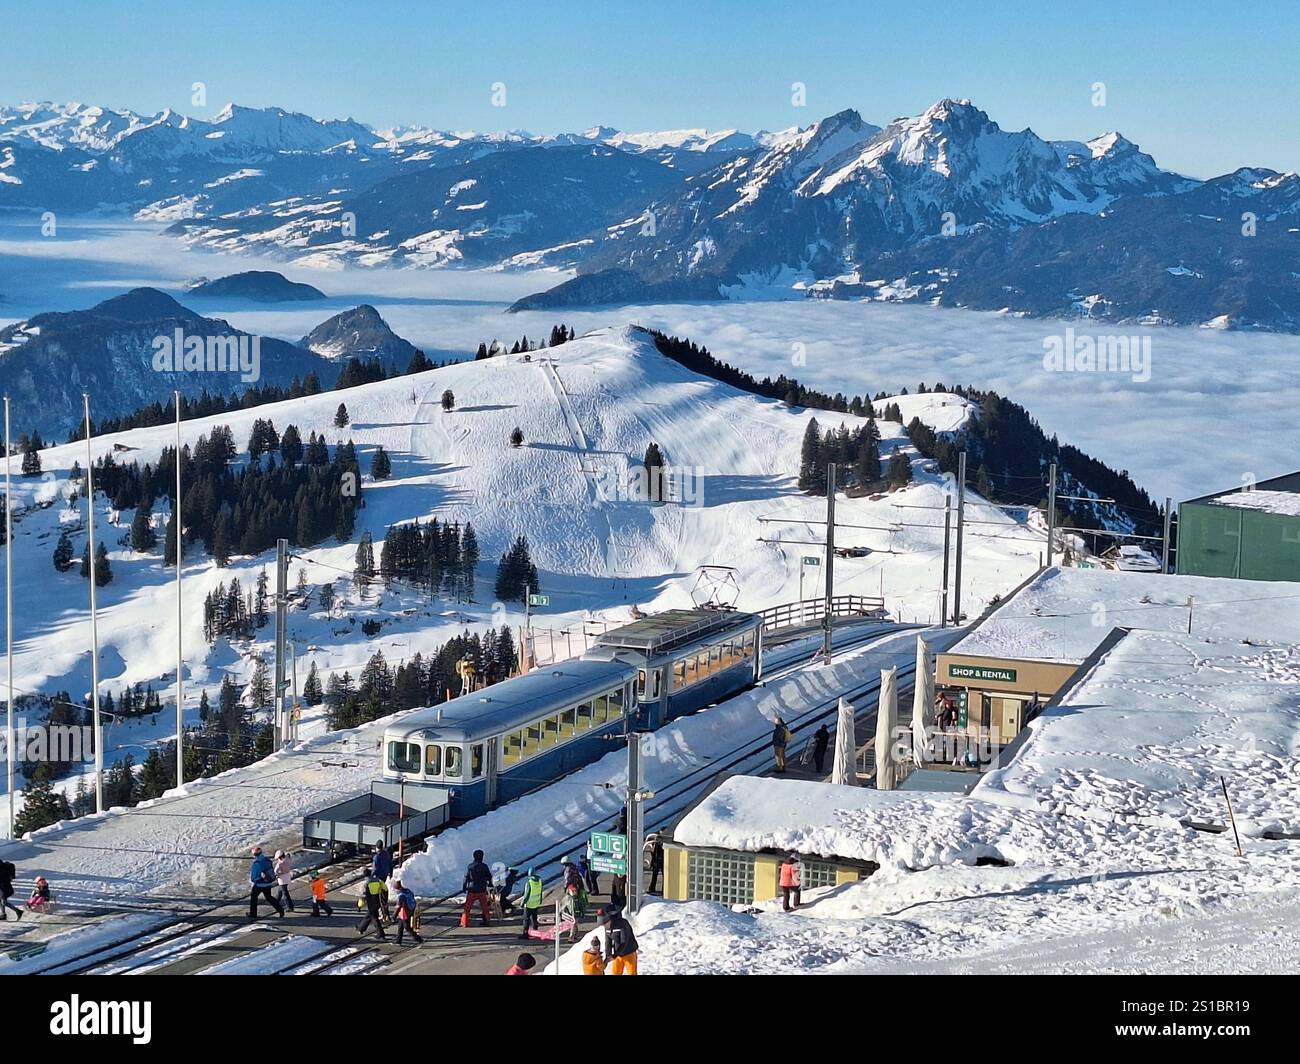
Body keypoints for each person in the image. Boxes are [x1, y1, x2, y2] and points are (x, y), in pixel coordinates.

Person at [248, 845, 285, 919]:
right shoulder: (267, 860)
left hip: (259, 884)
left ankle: (253, 914)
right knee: (269, 897)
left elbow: (254, 877)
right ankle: (280, 910)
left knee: (253, 897)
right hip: (268, 883)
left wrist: (254, 880)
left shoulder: (256, 863)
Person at [600, 906, 639, 975]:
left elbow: (624, 942)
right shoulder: (607, 928)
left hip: (629, 952)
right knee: (616, 972)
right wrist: (608, 955)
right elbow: (608, 942)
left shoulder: (622, 924)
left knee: (632, 973)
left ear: (610, 921)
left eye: (605, 924)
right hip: (618, 953)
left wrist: (615, 955)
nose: (604, 927)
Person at [461, 848, 494, 927]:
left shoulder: (470, 867)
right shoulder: (484, 866)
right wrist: (490, 884)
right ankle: (487, 921)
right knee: (485, 907)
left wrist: (464, 886)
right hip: (482, 889)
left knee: (467, 907)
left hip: (472, 889)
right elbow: (489, 876)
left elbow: (466, 877)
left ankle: (464, 922)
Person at [357, 869, 388, 940]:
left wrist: (360, 905)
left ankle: (381, 934)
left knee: (374, 918)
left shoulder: (366, 884)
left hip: (370, 901)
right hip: (378, 900)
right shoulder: (378, 880)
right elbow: (385, 889)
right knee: (369, 915)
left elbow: (363, 896)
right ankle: (361, 928)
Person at [393, 879, 422, 946]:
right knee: (400, 926)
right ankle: (398, 941)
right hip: (410, 910)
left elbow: (398, 907)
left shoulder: (401, 896)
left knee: (407, 927)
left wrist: (394, 916)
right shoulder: (407, 891)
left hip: (405, 913)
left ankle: (418, 939)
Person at [518, 867, 544, 938]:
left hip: (529, 904)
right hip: (536, 903)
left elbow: (526, 895)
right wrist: (540, 901)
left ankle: (525, 934)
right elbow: (540, 892)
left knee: (526, 919)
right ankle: (535, 932)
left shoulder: (529, 883)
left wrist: (522, 903)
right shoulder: (539, 881)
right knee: (534, 918)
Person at [371, 844, 393, 918]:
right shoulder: (386, 854)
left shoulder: (377, 856)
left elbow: (375, 868)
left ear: (377, 848)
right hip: (385, 875)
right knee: (383, 895)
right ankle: (385, 913)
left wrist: (371, 876)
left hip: (378, 877)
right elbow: (390, 863)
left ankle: (383, 913)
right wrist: (391, 873)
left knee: (379, 896)